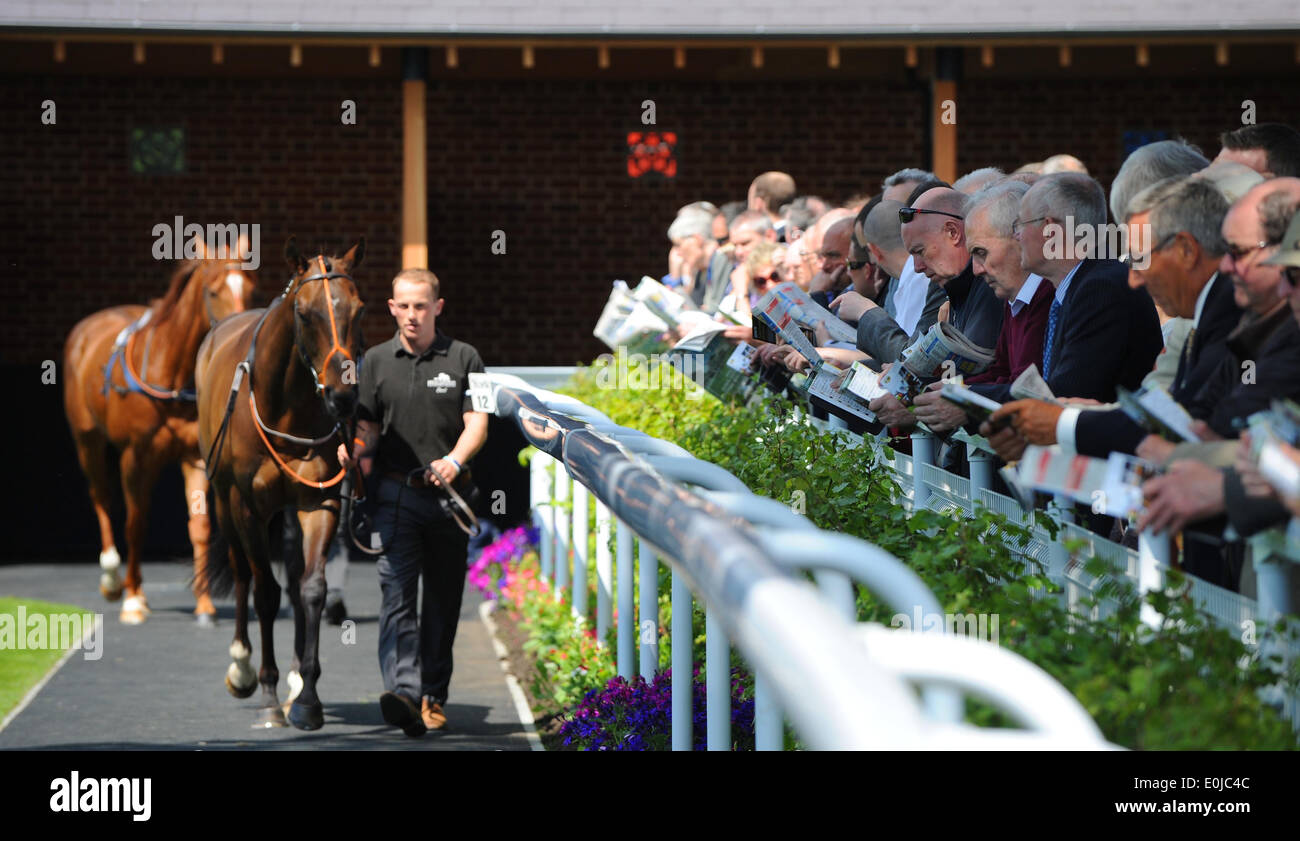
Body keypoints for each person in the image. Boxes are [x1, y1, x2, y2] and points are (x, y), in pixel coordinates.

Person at [338, 267, 489, 737]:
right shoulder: (376, 362)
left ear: (437, 308)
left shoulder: (466, 357)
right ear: (391, 308)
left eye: (420, 306)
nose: (411, 314)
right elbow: (368, 427)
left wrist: (455, 461)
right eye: (402, 306)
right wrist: (355, 450)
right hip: (395, 496)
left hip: (448, 499)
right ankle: (403, 692)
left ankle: (432, 696)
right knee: (397, 596)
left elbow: (478, 422)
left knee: (443, 603)